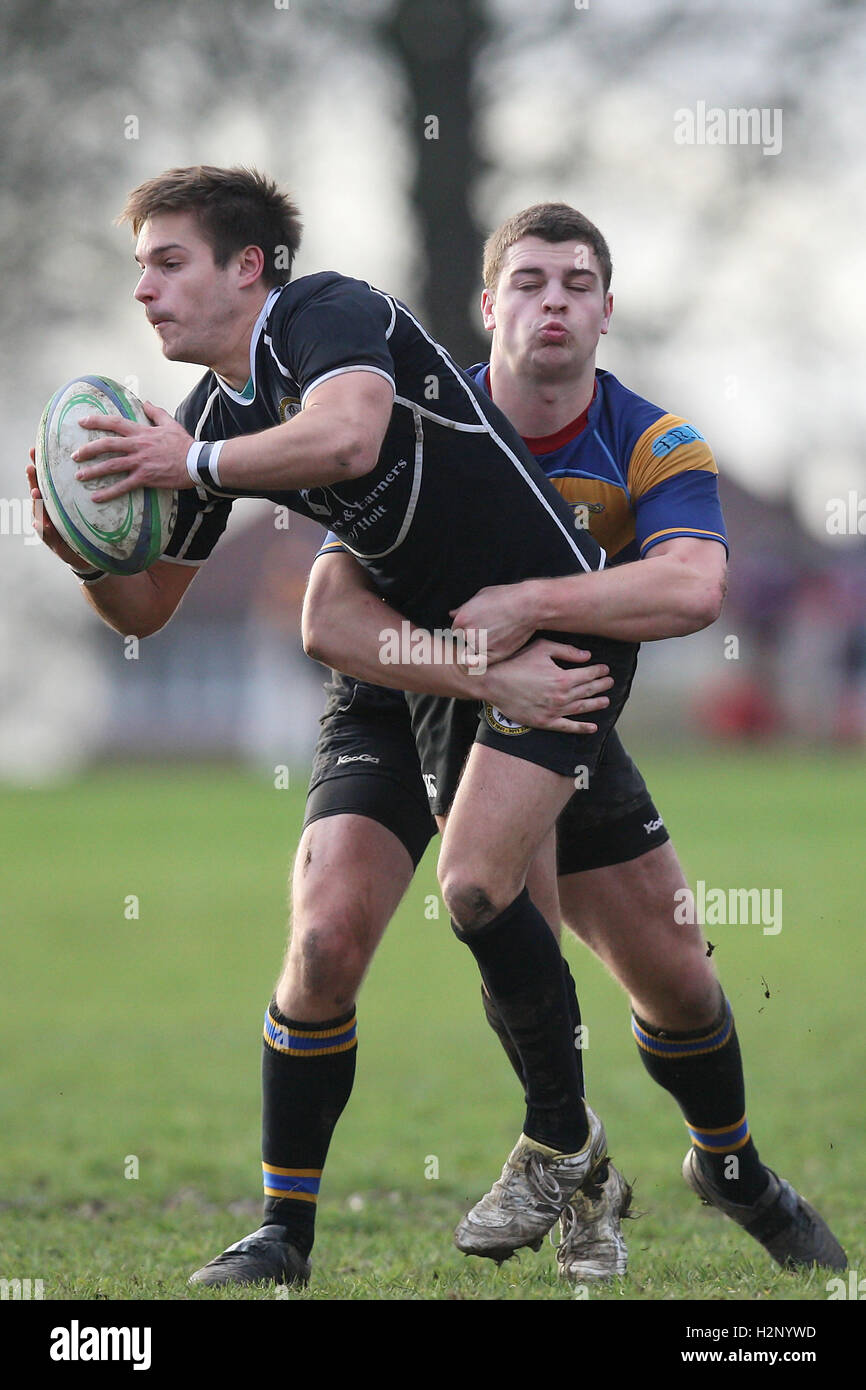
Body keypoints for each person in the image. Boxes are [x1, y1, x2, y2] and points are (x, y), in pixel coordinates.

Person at [202, 202, 846, 1285]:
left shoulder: (651, 439)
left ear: (604, 311)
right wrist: (471, 661)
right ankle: (284, 1231)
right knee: (324, 938)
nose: (553, 301)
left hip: (553, 695)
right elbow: (328, 615)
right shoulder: (418, 413)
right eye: (530, 281)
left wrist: (528, 602)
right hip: (399, 691)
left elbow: (691, 583)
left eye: (576, 284)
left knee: (678, 981)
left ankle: (726, 1167)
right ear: (489, 303)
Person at [27, 167, 643, 1289]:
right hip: (405, 660)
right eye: (140, 270)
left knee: (475, 894)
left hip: (545, 631)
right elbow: (148, 608)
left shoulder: (330, 314)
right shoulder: (216, 412)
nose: (145, 293)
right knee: (320, 939)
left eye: (169, 263)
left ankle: (562, 1145)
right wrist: (84, 548)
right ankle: (282, 1236)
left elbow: (349, 438)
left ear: (246, 267)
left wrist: (188, 462)